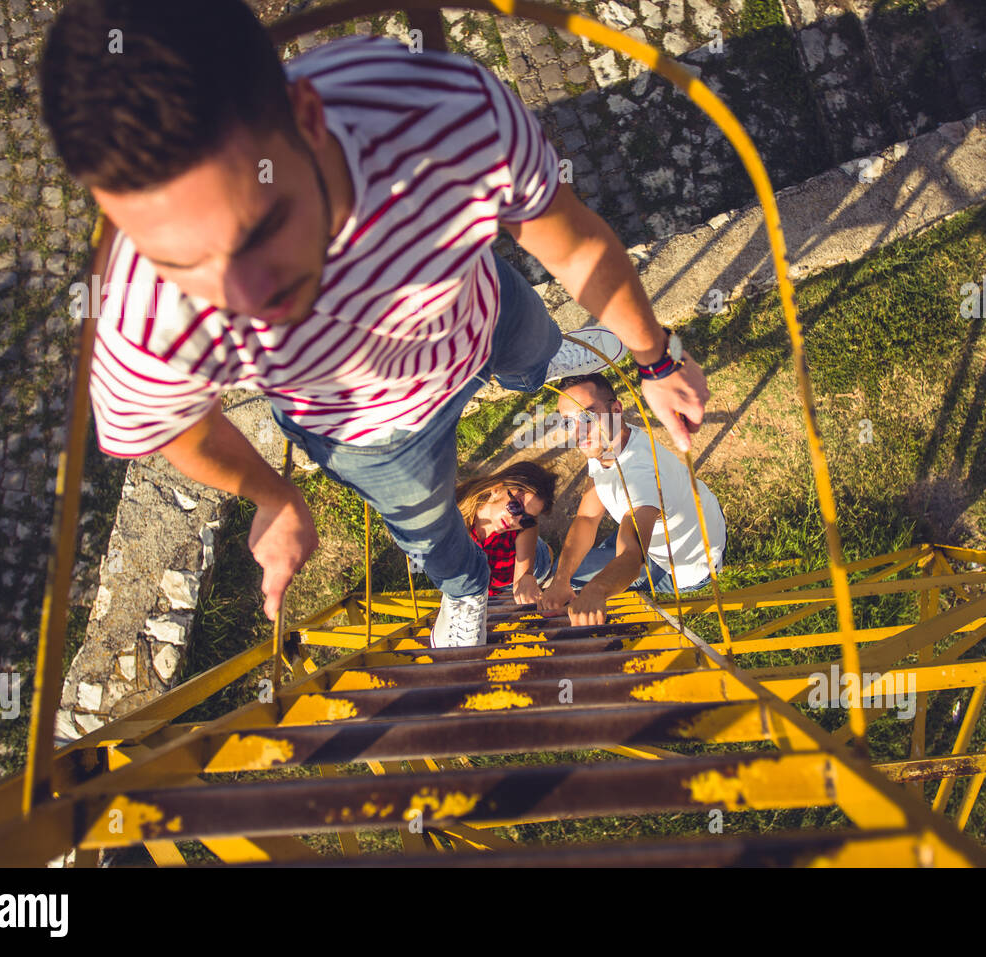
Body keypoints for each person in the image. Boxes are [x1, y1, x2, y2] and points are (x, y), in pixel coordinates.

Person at [39, 0, 709, 649]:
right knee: (431, 533)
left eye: (261, 230)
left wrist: (655, 360)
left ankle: (540, 365)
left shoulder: (435, 115)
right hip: (376, 438)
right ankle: (465, 587)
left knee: (535, 349)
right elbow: (168, 426)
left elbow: (573, 245)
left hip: (484, 315)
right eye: (182, 261)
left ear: (308, 117)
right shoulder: (139, 313)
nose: (248, 301)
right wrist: (272, 495)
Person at [538, 374, 726, 627]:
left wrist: (595, 590)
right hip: (701, 524)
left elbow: (633, 556)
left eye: (587, 416)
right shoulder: (611, 441)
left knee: (570, 573)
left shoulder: (640, 478)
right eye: (569, 423)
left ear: (616, 409)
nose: (579, 432)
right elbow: (587, 517)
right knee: (568, 569)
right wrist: (562, 580)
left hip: (685, 568)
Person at [456, 462, 556, 610]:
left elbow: (521, 579)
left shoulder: (524, 527)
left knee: (544, 567)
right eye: (516, 507)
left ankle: (547, 574)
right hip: (502, 584)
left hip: (537, 565)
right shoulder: (455, 517)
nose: (516, 521)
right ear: (497, 488)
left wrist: (527, 577)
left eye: (528, 518)